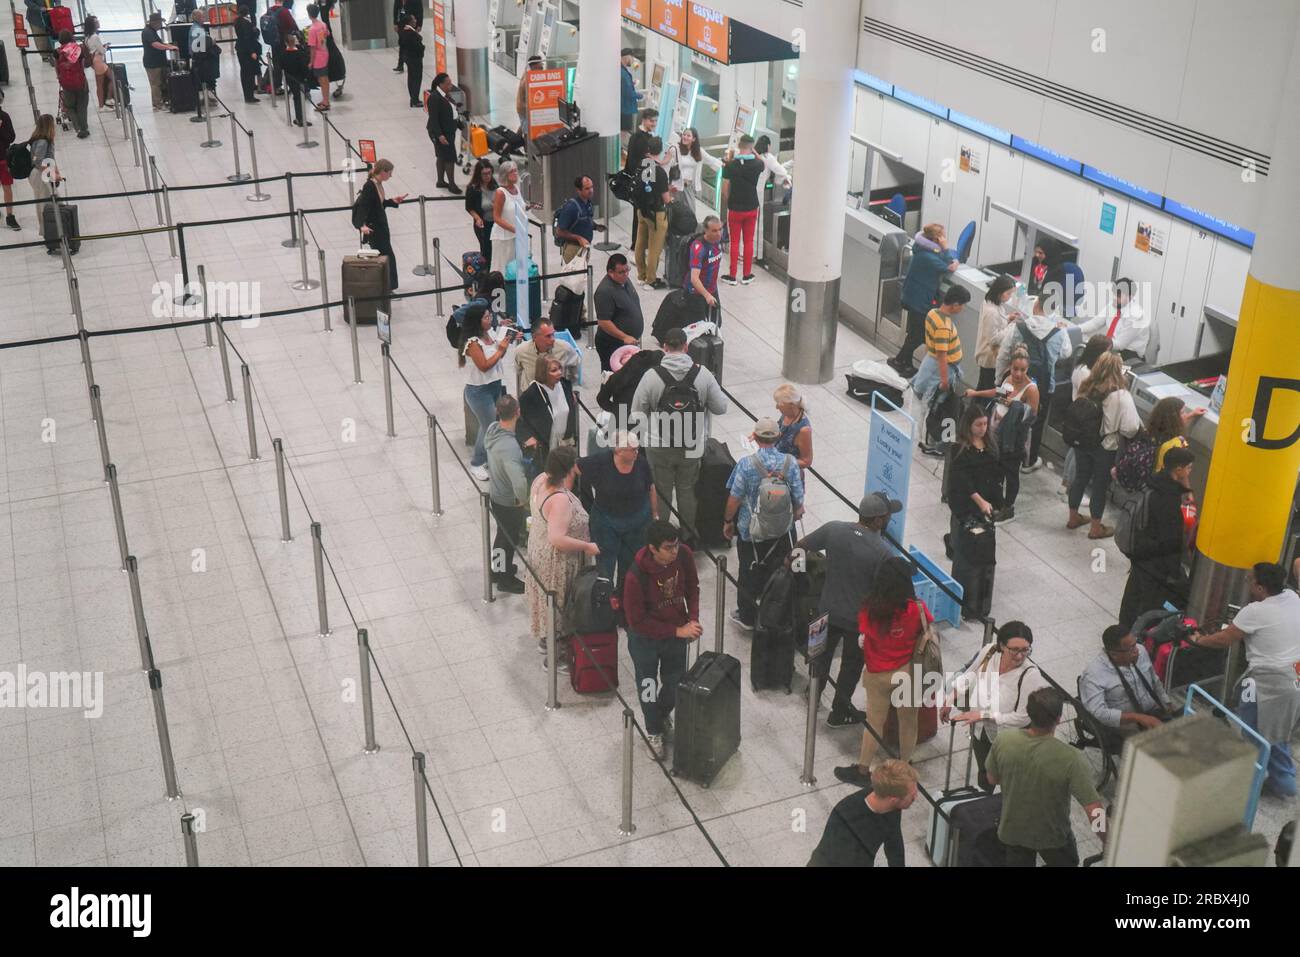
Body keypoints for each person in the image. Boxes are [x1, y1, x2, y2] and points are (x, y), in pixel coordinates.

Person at [1192, 562, 1300, 798]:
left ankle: (1250, 784)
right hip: (1295, 678)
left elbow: (1224, 639)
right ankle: (1284, 779)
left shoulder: (1254, 611)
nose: (1246, 582)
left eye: (1249, 579)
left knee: (1255, 734)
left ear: (1260, 588)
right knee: (1279, 730)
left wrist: (1198, 640)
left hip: (1266, 682)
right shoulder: (1292, 597)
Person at [797, 494, 898, 733]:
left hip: (824, 610)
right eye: (886, 516)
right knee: (851, 667)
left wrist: (802, 578)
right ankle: (839, 712)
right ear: (877, 521)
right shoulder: (884, 553)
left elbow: (800, 546)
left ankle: (812, 690)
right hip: (858, 623)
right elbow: (885, 593)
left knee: (819, 655)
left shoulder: (834, 529)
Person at [833, 555, 931, 786]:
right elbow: (927, 627)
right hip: (907, 672)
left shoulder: (871, 610)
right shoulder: (917, 608)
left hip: (878, 674)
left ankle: (863, 769)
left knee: (874, 721)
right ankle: (905, 765)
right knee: (909, 722)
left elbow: (865, 640)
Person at [985, 688, 1106, 866]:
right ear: (1058, 719)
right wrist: (1107, 838)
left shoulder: (1004, 740)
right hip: (1053, 837)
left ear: (1029, 713)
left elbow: (992, 779)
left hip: (1013, 830)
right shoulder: (1071, 758)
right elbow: (1094, 812)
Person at [631, 327, 727, 542]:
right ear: (686, 347)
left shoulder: (651, 376)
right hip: (692, 445)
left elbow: (636, 412)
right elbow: (721, 407)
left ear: (664, 347)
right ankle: (687, 536)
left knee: (662, 491)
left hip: (659, 445)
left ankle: (663, 538)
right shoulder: (702, 374)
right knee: (687, 490)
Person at [623, 519, 700, 760]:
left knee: (676, 683)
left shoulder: (684, 556)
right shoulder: (635, 576)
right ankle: (653, 730)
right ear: (653, 548)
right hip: (645, 640)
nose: (674, 552)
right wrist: (678, 632)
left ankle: (659, 714)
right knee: (648, 686)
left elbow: (693, 588)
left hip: (675, 634)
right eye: (668, 547)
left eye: (676, 545)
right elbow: (637, 622)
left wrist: (693, 619)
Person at [723, 417, 805, 630]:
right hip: (783, 531)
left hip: (751, 531)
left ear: (756, 438)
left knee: (748, 572)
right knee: (780, 571)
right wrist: (793, 514)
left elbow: (734, 498)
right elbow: (799, 498)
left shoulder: (746, 465)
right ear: (778, 437)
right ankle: (776, 612)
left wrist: (727, 521)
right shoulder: (790, 462)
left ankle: (748, 617)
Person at [948, 621, 1048, 792]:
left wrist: (983, 715)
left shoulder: (1031, 675)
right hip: (981, 731)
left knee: (1008, 778)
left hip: (1008, 738)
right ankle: (984, 802)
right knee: (985, 772)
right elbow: (971, 672)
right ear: (1002, 645)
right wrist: (950, 698)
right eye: (1014, 649)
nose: (1019, 655)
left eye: (1025, 650)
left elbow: (1023, 717)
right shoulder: (990, 651)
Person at [527, 446, 599, 669]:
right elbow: (557, 538)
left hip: (538, 551)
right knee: (560, 603)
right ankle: (556, 656)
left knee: (549, 601)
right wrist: (587, 546)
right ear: (571, 468)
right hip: (556, 560)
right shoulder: (559, 500)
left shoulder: (540, 480)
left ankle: (545, 639)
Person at [1117, 447, 1196, 631]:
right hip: (1155, 561)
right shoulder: (1168, 498)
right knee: (1148, 603)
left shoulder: (1154, 482)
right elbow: (1170, 540)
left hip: (1140, 551)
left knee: (1132, 595)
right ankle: (1139, 636)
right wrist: (1174, 572)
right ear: (1178, 470)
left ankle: (1123, 628)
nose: (1189, 472)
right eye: (1188, 468)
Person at [1066, 352, 1140, 540]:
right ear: (1119, 370)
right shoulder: (1121, 395)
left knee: (1080, 478)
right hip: (1106, 447)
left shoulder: (1087, 385)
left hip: (1083, 441)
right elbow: (1131, 428)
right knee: (1099, 486)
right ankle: (1095, 528)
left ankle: (1073, 518)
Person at [997, 296, 1074, 472]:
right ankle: (1028, 460)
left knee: (1005, 412)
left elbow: (1003, 355)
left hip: (1013, 381)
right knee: (1034, 421)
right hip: (1044, 386)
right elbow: (1066, 353)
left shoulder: (1020, 326)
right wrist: (1063, 331)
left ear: (1036, 305)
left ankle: (999, 449)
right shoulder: (1059, 333)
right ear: (1052, 310)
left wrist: (998, 382)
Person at [966, 346, 1038, 523]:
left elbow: (1032, 416)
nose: (1018, 373)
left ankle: (1008, 507)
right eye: (1015, 369)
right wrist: (976, 393)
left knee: (1011, 473)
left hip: (1013, 440)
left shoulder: (1031, 389)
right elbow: (996, 393)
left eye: (1022, 370)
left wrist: (1013, 405)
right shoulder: (1008, 380)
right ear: (1010, 366)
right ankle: (996, 500)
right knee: (996, 469)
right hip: (996, 433)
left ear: (1027, 369)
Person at [578, 432, 657, 590]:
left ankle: (624, 600)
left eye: (637, 448)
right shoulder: (600, 462)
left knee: (631, 567)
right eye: (632, 449)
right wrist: (579, 502)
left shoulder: (641, 463)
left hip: (637, 522)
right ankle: (605, 600)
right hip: (606, 522)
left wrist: (655, 515)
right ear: (618, 451)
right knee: (605, 567)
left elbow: (651, 487)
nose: (636, 452)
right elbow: (575, 467)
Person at [947, 403, 1002, 621]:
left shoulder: (990, 444)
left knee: (985, 553)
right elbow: (962, 482)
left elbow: (995, 473)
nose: (982, 428)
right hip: (967, 508)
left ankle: (981, 603)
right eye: (978, 424)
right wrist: (980, 501)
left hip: (986, 507)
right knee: (967, 554)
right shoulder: (960, 449)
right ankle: (964, 602)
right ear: (968, 425)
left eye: (985, 424)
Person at [809, 760, 918, 867]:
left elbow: (894, 845)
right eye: (912, 796)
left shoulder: (892, 803)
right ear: (894, 799)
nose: (916, 796)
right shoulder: (847, 818)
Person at [1079, 624, 1177, 740]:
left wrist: (1166, 701)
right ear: (1113, 654)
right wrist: (1138, 718)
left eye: (1135, 644)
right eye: (1131, 648)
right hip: (1124, 721)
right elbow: (1100, 713)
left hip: (1151, 709)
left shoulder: (1140, 650)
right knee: (1148, 746)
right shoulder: (1093, 674)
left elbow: (1154, 680)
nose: (1137, 651)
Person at [889, 224, 959, 376]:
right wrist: (946, 249)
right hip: (919, 300)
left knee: (915, 331)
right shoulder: (928, 257)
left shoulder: (923, 249)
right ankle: (900, 360)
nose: (945, 239)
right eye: (943, 237)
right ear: (936, 239)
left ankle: (903, 361)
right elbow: (950, 266)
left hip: (914, 295)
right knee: (919, 334)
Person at [459, 292, 514, 482]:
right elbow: (484, 365)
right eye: (486, 317)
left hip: (494, 385)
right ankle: (477, 462)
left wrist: (504, 344)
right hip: (478, 390)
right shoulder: (473, 343)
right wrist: (501, 349)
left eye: (490, 315)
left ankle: (489, 456)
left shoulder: (490, 333)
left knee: (494, 423)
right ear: (477, 321)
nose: (490, 318)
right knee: (488, 425)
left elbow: (498, 359)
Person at [914, 285, 973, 455]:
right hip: (940, 370)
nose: (962, 309)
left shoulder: (933, 313)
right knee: (933, 404)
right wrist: (945, 380)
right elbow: (942, 355)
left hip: (931, 363)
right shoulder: (943, 327)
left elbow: (931, 347)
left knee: (934, 404)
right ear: (954, 304)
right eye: (962, 305)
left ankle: (930, 439)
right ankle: (928, 442)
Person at [483, 394, 529, 595]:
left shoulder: (493, 430)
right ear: (518, 412)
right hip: (509, 500)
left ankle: (498, 570)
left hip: (495, 493)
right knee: (508, 539)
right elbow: (518, 480)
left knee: (501, 536)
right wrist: (523, 499)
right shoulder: (510, 448)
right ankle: (505, 580)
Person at [518, 356, 578, 476]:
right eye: (554, 370)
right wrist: (528, 438)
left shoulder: (565, 385)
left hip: (565, 444)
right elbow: (520, 421)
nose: (559, 373)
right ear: (543, 373)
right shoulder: (531, 394)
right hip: (544, 448)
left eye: (560, 369)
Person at [354, 159, 407, 292]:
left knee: (385, 257)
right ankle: (388, 287)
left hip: (381, 228)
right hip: (375, 230)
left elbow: (377, 204)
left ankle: (386, 286)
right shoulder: (370, 186)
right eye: (389, 173)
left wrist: (392, 201)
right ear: (383, 172)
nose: (391, 175)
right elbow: (362, 208)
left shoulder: (377, 184)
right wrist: (361, 225)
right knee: (387, 258)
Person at [719, 135, 765, 286]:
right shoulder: (757, 164)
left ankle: (732, 275)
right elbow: (762, 162)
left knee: (734, 242)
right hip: (752, 207)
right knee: (748, 241)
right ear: (751, 147)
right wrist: (754, 152)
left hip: (735, 208)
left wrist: (728, 201)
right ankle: (746, 275)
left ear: (739, 145)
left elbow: (725, 189)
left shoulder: (730, 166)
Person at [1077, 277, 1150, 362]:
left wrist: (1096, 342)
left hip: (1128, 354)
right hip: (1112, 346)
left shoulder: (1136, 316)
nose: (1114, 298)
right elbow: (1095, 323)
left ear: (1130, 297)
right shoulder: (1113, 305)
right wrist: (1076, 329)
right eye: (1114, 294)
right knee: (1083, 356)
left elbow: (1120, 344)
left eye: (1119, 295)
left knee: (1091, 358)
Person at [594, 254, 644, 372]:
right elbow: (603, 322)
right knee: (612, 381)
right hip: (612, 345)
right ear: (611, 272)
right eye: (621, 272)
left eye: (627, 270)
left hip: (628, 343)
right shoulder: (604, 292)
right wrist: (624, 336)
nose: (626, 274)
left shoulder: (625, 280)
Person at [632, 136, 671, 289]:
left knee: (640, 244)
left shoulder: (641, 165)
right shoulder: (660, 172)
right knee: (655, 248)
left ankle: (641, 276)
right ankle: (651, 280)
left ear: (648, 149)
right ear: (660, 150)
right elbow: (666, 199)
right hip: (656, 214)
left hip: (641, 211)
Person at [974, 275, 1022, 391]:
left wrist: (1008, 318)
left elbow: (996, 324)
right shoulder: (992, 312)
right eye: (1008, 293)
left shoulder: (991, 303)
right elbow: (993, 339)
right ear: (999, 292)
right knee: (988, 388)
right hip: (989, 356)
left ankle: (975, 405)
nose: (1009, 297)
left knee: (982, 387)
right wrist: (1011, 327)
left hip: (988, 355)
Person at [624, 108, 658, 249]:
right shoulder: (642, 140)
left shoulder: (636, 137)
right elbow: (643, 164)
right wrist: (649, 184)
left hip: (637, 182)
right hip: (642, 184)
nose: (654, 124)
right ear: (643, 120)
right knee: (640, 216)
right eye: (651, 121)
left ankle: (637, 244)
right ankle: (637, 244)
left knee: (638, 216)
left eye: (655, 121)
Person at [514, 318, 579, 392]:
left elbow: (574, 364)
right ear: (534, 337)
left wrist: (569, 389)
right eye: (548, 336)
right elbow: (518, 370)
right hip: (531, 397)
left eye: (553, 334)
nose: (553, 339)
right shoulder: (521, 351)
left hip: (556, 395)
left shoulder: (564, 348)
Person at [27, 115, 62, 246]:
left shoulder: (46, 140)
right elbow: (37, 161)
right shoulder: (42, 141)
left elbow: (50, 158)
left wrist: (56, 172)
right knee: (46, 205)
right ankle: (50, 234)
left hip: (43, 174)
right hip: (40, 176)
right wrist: (52, 173)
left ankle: (54, 232)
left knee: (51, 203)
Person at [1147, 395, 1206, 472]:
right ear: (1173, 418)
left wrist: (1191, 414)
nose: (1185, 414)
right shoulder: (1176, 444)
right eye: (1182, 413)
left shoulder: (1153, 430)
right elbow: (1181, 473)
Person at [426, 73, 461, 193]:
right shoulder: (435, 98)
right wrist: (440, 135)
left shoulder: (445, 95)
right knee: (450, 157)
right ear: (440, 84)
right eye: (448, 83)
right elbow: (434, 119)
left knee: (441, 155)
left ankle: (440, 181)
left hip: (448, 130)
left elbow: (451, 111)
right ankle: (452, 184)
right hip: (441, 133)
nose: (450, 85)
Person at [671, 127, 721, 212]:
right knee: (674, 211)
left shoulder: (698, 151)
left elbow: (710, 160)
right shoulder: (676, 148)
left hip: (688, 186)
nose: (685, 137)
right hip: (676, 184)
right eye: (684, 135)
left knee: (690, 212)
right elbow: (669, 164)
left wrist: (723, 165)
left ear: (694, 139)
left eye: (688, 136)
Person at [490, 160, 528, 271]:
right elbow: (496, 217)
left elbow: (518, 207)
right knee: (503, 268)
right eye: (512, 171)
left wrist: (529, 206)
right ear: (505, 174)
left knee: (516, 268)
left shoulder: (516, 188)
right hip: (504, 237)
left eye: (516, 170)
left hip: (517, 236)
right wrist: (514, 229)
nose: (516, 173)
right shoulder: (500, 192)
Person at [554, 175, 601, 263]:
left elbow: (585, 221)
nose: (591, 191)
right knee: (575, 276)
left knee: (583, 275)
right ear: (578, 190)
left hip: (584, 248)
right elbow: (559, 232)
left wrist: (595, 226)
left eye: (591, 187)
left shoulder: (588, 204)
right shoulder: (571, 208)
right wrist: (579, 238)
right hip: (573, 249)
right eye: (587, 188)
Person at [54, 30, 90, 140]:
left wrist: (60, 77)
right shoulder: (78, 49)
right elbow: (83, 65)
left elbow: (56, 67)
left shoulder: (57, 52)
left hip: (66, 83)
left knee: (69, 106)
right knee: (82, 105)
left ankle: (78, 128)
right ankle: (84, 128)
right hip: (80, 81)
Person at [142, 12, 179, 111]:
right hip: (152, 63)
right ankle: (157, 104)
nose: (161, 25)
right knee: (155, 84)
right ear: (155, 22)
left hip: (159, 62)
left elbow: (159, 43)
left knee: (162, 82)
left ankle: (163, 101)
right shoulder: (147, 32)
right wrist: (169, 47)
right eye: (160, 22)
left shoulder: (152, 31)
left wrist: (168, 45)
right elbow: (155, 44)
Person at [187, 12, 220, 120]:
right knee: (204, 79)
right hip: (201, 60)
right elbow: (201, 46)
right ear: (197, 18)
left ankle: (207, 98)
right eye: (202, 17)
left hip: (199, 58)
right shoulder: (197, 30)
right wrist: (212, 43)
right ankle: (205, 100)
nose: (204, 18)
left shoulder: (196, 28)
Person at [465, 159, 497, 268]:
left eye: (489, 173)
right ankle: (487, 276)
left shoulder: (494, 184)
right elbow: (469, 207)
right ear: (479, 174)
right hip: (483, 225)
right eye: (484, 174)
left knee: (497, 251)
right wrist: (477, 218)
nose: (488, 176)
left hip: (496, 223)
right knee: (487, 251)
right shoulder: (473, 188)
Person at [772, 384, 813, 471]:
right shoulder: (786, 415)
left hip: (787, 475)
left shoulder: (804, 430)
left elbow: (806, 461)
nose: (776, 407)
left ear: (791, 405)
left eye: (779, 404)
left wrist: (779, 462)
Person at [82, 17, 113, 112]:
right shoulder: (95, 37)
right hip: (99, 60)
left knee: (101, 83)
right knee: (111, 79)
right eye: (96, 21)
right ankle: (105, 102)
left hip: (94, 61)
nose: (98, 22)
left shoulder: (87, 37)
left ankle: (104, 103)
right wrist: (106, 46)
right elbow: (102, 51)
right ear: (93, 25)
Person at [280, 32, 311, 127]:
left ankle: (299, 118)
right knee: (299, 98)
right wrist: (306, 77)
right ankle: (300, 119)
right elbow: (304, 68)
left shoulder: (283, 54)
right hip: (299, 79)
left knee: (296, 97)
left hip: (290, 79)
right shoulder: (299, 54)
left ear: (285, 43)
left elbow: (281, 67)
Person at [234, 6, 263, 104]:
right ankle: (249, 96)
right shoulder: (245, 23)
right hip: (247, 51)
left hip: (241, 50)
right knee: (249, 74)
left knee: (244, 73)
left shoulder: (237, 21)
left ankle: (248, 94)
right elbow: (247, 38)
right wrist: (252, 52)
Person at [305, 4, 331, 110]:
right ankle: (325, 99)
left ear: (309, 14)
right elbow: (327, 34)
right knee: (325, 78)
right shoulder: (322, 24)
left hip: (318, 57)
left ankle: (325, 102)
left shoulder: (312, 30)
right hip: (325, 52)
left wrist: (311, 61)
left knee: (322, 79)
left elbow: (312, 47)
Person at [396, 15, 425, 108]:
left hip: (407, 57)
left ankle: (413, 98)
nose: (416, 20)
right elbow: (417, 46)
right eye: (414, 19)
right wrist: (422, 47)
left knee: (411, 77)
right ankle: (415, 100)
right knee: (416, 78)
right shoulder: (410, 33)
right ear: (409, 22)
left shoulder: (403, 31)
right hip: (414, 58)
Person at [0, 91, 18, 231]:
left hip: (3, 159)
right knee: (7, 188)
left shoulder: (4, 117)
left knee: (7, 188)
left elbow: (11, 137)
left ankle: (10, 215)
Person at [391, 0, 421, 72]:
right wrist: (395, 23)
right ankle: (400, 65)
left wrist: (419, 24)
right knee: (402, 44)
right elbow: (395, 10)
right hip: (401, 23)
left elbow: (420, 11)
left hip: (412, 23)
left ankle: (412, 62)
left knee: (412, 44)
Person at [516, 55, 542, 134]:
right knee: (527, 131)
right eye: (540, 66)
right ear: (534, 67)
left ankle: (515, 139)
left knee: (523, 125)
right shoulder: (528, 80)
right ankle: (526, 145)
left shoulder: (529, 73)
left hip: (522, 106)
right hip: (524, 108)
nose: (542, 68)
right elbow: (533, 98)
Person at [619, 50, 641, 140]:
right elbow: (629, 93)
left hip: (622, 107)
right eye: (632, 58)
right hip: (625, 109)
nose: (632, 61)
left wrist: (631, 83)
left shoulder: (621, 70)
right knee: (623, 133)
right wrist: (641, 96)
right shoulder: (623, 74)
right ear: (627, 57)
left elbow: (623, 87)